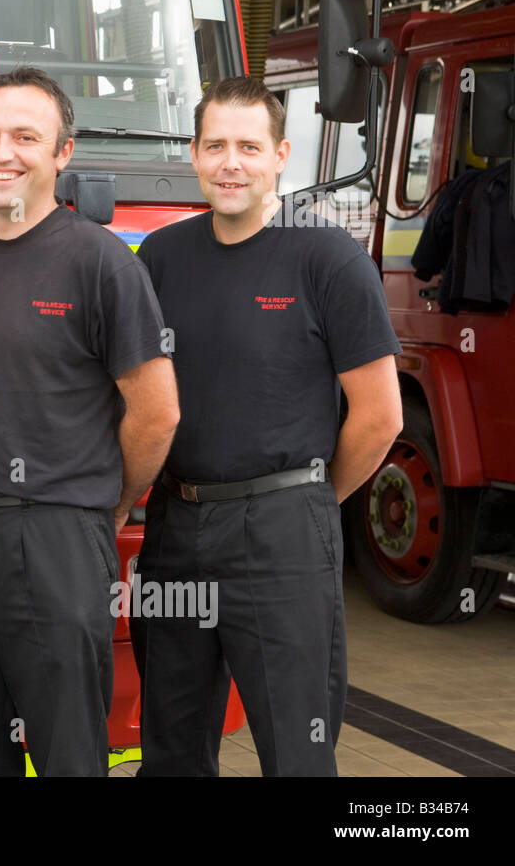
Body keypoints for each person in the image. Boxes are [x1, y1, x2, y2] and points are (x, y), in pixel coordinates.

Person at [132, 75, 403, 776]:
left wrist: (305, 503)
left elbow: (379, 418)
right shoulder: (159, 258)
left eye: (249, 146)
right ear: (193, 153)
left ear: (282, 154)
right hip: (176, 527)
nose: (231, 162)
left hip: (283, 530)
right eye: (215, 144)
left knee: (296, 748)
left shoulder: (328, 259)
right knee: (171, 744)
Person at [0, 66, 180, 776]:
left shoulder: (101, 263)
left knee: (67, 751)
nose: (3, 153)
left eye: (25, 137)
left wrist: (104, 505)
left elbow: (157, 412)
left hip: (61, 533)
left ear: (63, 153)